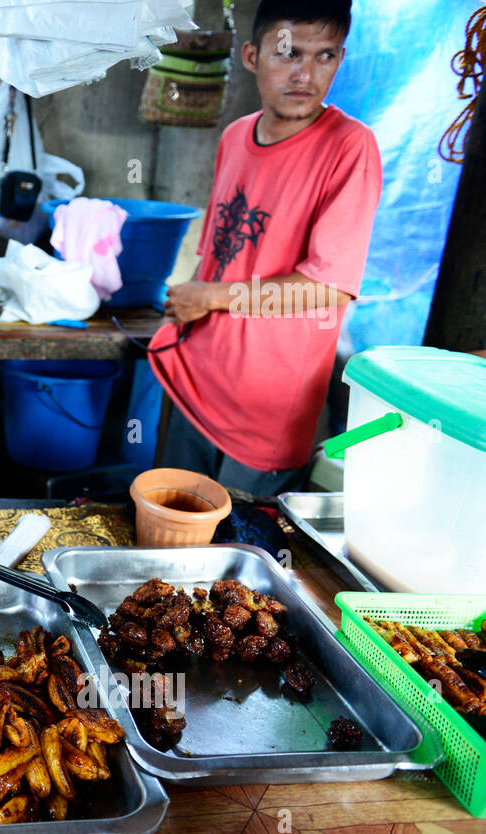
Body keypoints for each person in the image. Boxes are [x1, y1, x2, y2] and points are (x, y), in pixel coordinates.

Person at [148, 0, 381, 497]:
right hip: (195, 383)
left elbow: (328, 288)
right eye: (289, 53)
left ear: (341, 58)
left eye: (324, 57)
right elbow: (221, 254)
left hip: (263, 417)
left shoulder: (349, 148)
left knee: (235, 562)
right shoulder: (235, 136)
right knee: (162, 542)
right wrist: (190, 306)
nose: (305, 74)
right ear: (252, 56)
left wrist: (209, 297)